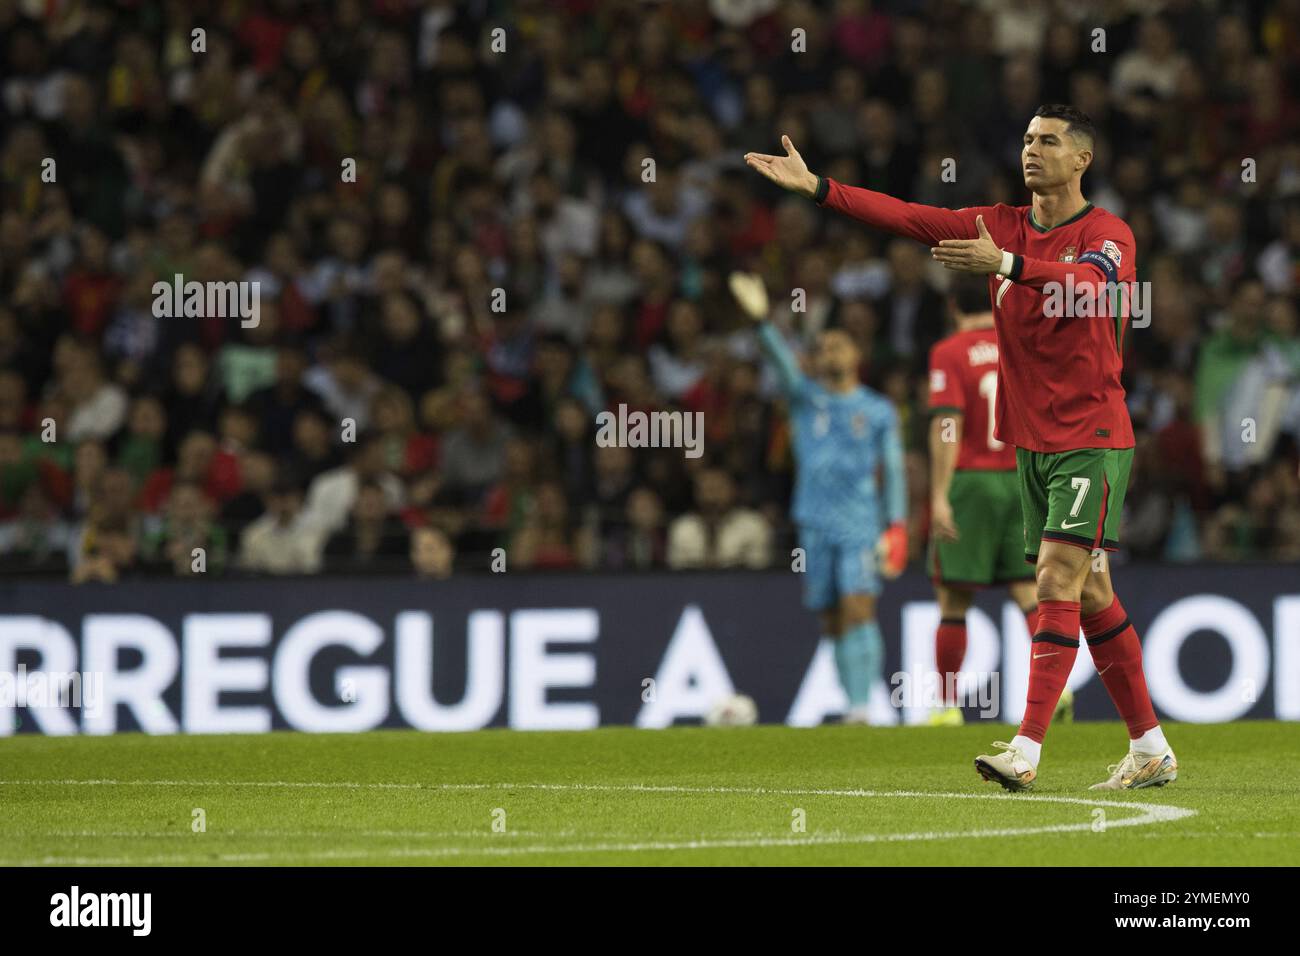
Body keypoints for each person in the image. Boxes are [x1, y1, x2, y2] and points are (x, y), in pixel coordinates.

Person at [744, 104, 1175, 789]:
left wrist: (1006, 262)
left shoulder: (1106, 234)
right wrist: (821, 188)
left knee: (1056, 581)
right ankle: (1150, 746)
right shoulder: (999, 222)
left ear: (1082, 160)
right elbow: (909, 217)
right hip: (1032, 444)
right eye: (1028, 139)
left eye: (1050, 141)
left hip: (1092, 434)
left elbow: (1091, 286)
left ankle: (1027, 751)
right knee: (1091, 592)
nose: (1033, 150)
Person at [730, 271, 907, 724]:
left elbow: (894, 470)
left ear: (857, 354)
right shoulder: (804, 399)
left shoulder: (877, 409)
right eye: (822, 346)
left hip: (860, 523)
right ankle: (853, 701)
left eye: (837, 345)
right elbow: (780, 361)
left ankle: (861, 708)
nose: (829, 352)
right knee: (830, 617)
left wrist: (897, 525)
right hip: (813, 521)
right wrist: (760, 322)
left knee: (857, 607)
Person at [926, 276, 1043, 726]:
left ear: (954, 306)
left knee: (954, 600)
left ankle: (947, 706)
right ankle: (1058, 693)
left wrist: (939, 494)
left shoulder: (949, 352)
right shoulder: (1020, 344)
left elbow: (947, 425)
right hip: (1021, 477)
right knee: (1030, 591)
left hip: (971, 481)